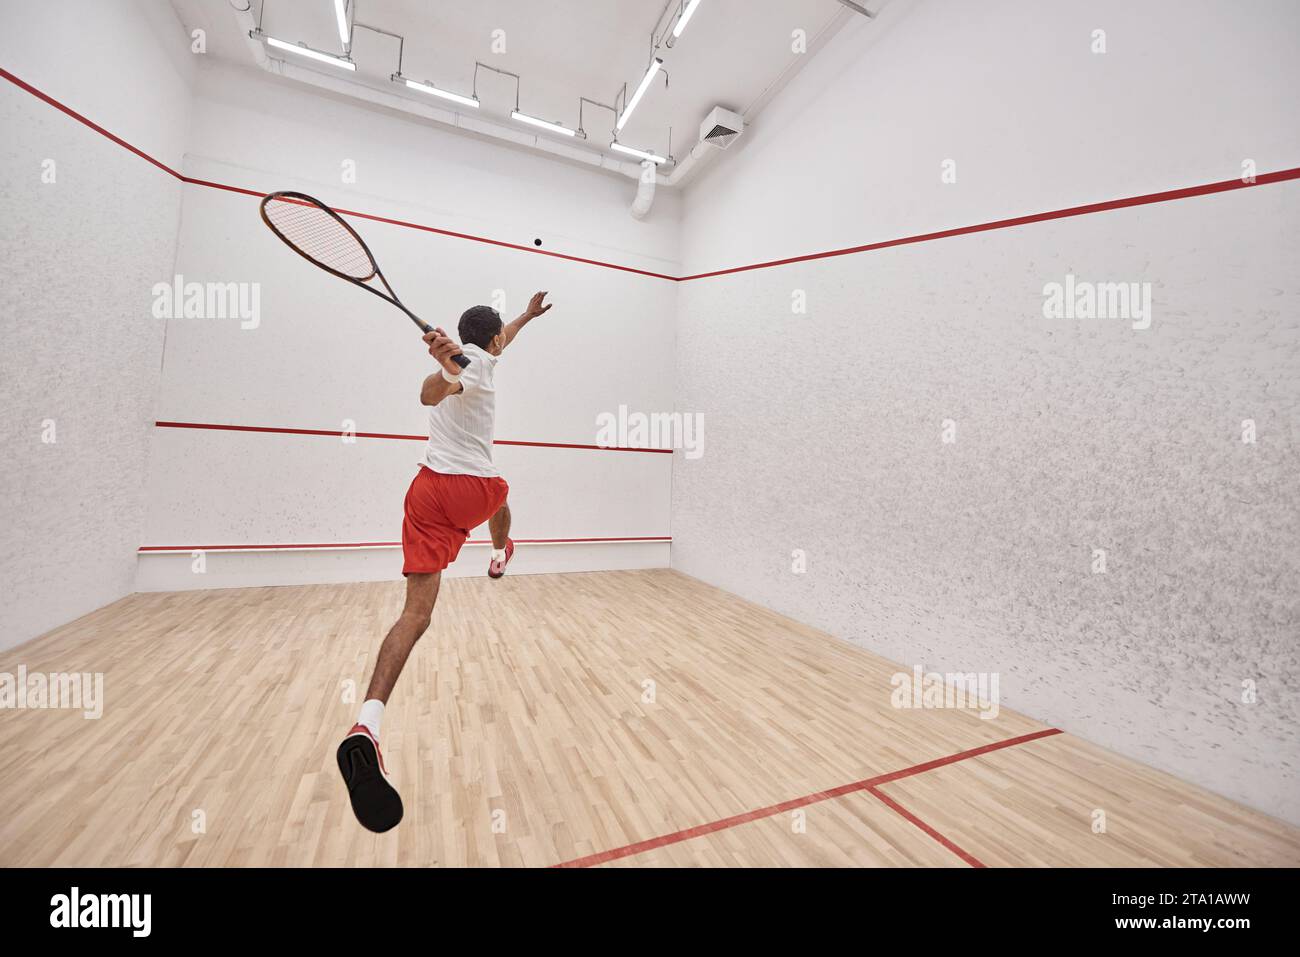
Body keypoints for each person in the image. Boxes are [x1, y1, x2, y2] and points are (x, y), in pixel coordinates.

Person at [336, 292, 553, 832]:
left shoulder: (480, 357)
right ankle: (500, 550)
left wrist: (524, 316)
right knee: (500, 493)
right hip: (474, 490)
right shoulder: (475, 364)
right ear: (493, 337)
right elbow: (435, 392)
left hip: (429, 492)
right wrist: (442, 364)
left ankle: (368, 724)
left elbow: (445, 385)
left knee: (415, 616)